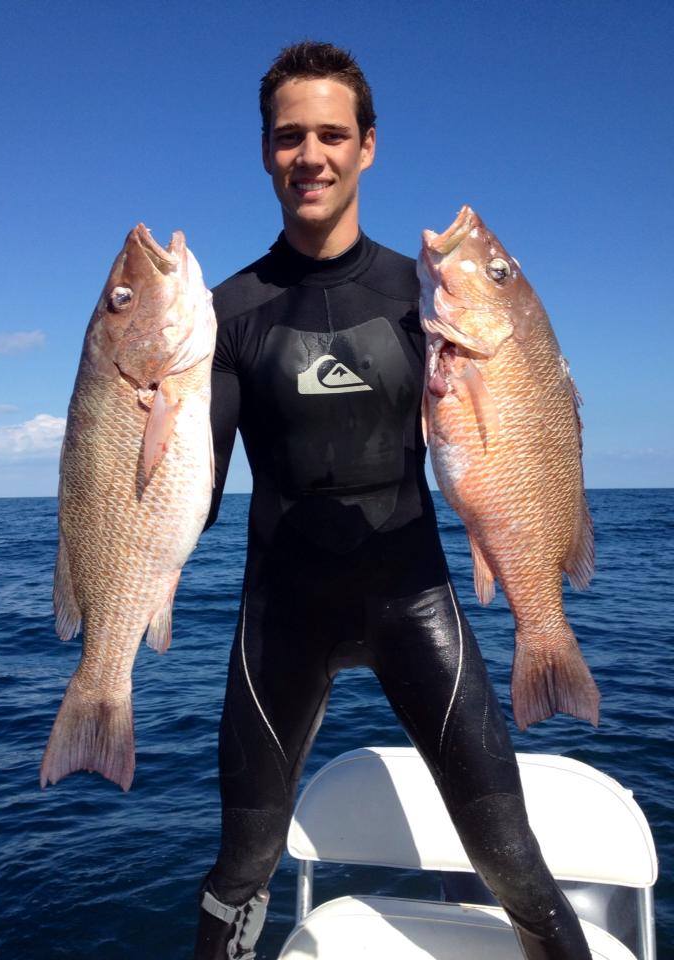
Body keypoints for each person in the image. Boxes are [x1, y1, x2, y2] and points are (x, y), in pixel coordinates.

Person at [194, 41, 592, 960]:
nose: (311, 155)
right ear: (266, 151)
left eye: (333, 135)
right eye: (290, 136)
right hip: (280, 615)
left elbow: (510, 430)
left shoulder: (423, 299)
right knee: (242, 863)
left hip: (415, 600)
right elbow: (193, 495)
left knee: (514, 861)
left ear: (367, 145)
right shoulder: (229, 311)